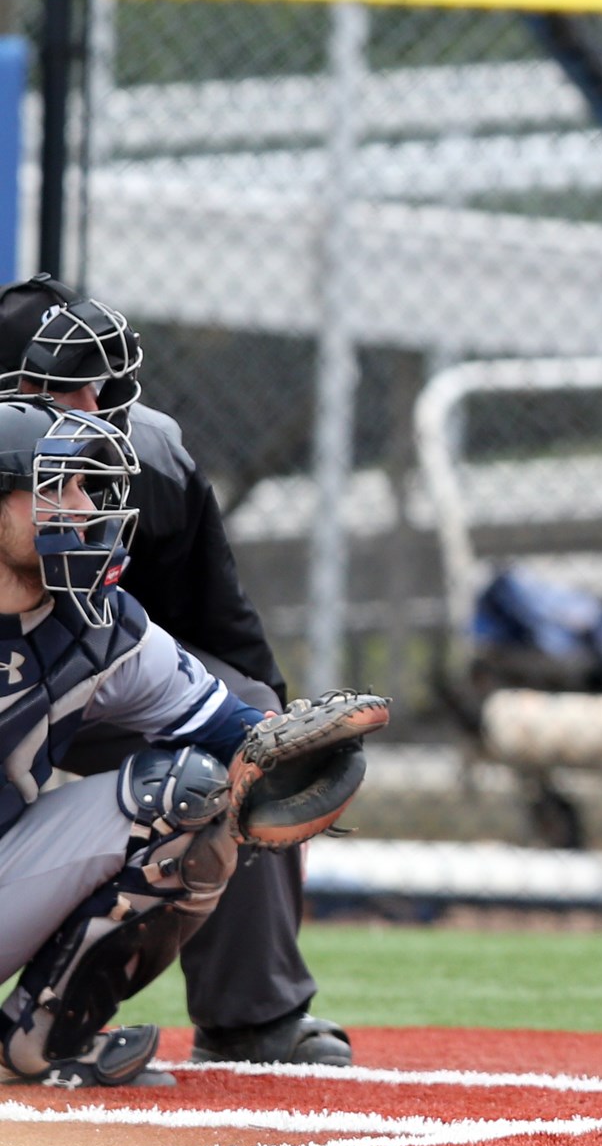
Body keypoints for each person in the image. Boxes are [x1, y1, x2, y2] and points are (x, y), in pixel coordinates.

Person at [0, 276, 352, 1067]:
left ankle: (241, 1013)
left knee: (207, 773)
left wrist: (284, 752)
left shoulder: (146, 472)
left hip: (84, 685)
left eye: (98, 386)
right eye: (54, 391)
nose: (86, 416)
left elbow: (221, 642)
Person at [0, 397, 271, 1086]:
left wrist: (297, 759)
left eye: (86, 485)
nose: (85, 507)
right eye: (55, 486)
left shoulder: (97, 624)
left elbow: (232, 734)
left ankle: (39, 1038)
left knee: (193, 793)